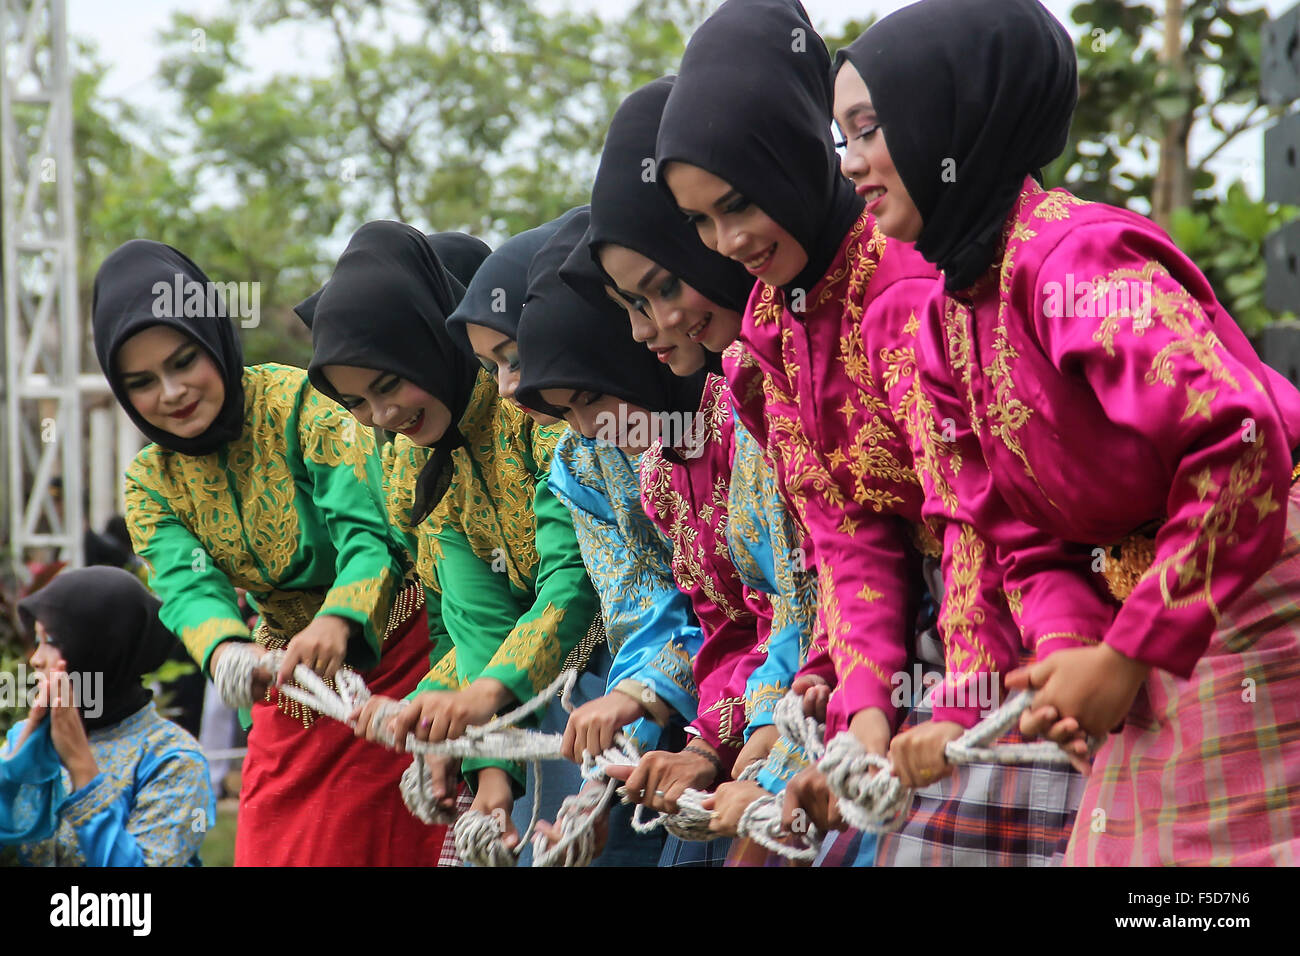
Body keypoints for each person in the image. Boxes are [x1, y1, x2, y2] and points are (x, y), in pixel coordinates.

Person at [852, 0, 1300, 865]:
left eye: (870, 128)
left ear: (952, 115)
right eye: (845, 136)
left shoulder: (1074, 261)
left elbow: (1239, 445)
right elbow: (1018, 539)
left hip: (1255, 589)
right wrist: (1072, 659)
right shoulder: (949, 321)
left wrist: (1126, 653)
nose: (852, 164)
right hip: (1159, 617)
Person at [656, 0, 1092, 865]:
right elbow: (845, 539)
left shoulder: (916, 274)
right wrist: (860, 720)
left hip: (1043, 611)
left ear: (796, 150)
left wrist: (952, 708)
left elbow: (974, 514)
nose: (728, 239)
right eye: (701, 223)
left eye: (739, 202)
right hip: (919, 643)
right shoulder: (770, 332)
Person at [93, 239, 440, 866]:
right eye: (141, 383)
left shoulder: (299, 402)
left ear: (215, 340)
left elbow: (370, 531)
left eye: (183, 361)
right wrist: (227, 651)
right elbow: (186, 585)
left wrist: (340, 620)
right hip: (287, 680)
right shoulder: (151, 481)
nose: (171, 393)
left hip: (399, 649)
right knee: (270, 845)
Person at [572, 75, 822, 865]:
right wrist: (725, 740)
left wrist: (761, 747)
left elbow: (821, 586)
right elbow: (740, 614)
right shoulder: (646, 458)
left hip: (913, 690)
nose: (657, 329)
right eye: (634, 309)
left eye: (664, 288)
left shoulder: (763, 382)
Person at [307, 220, 599, 856]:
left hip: (620, 671)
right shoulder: (415, 459)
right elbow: (475, 619)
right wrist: (486, 772)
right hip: (540, 691)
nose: (383, 416)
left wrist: (478, 701)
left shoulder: (536, 411)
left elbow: (573, 582)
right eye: (357, 403)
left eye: (389, 383)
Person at [1, 566, 215, 866]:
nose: (35, 660)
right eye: (37, 641)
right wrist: (14, 767)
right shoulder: (27, 739)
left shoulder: (173, 759)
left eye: (51, 641)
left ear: (101, 649)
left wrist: (81, 768)